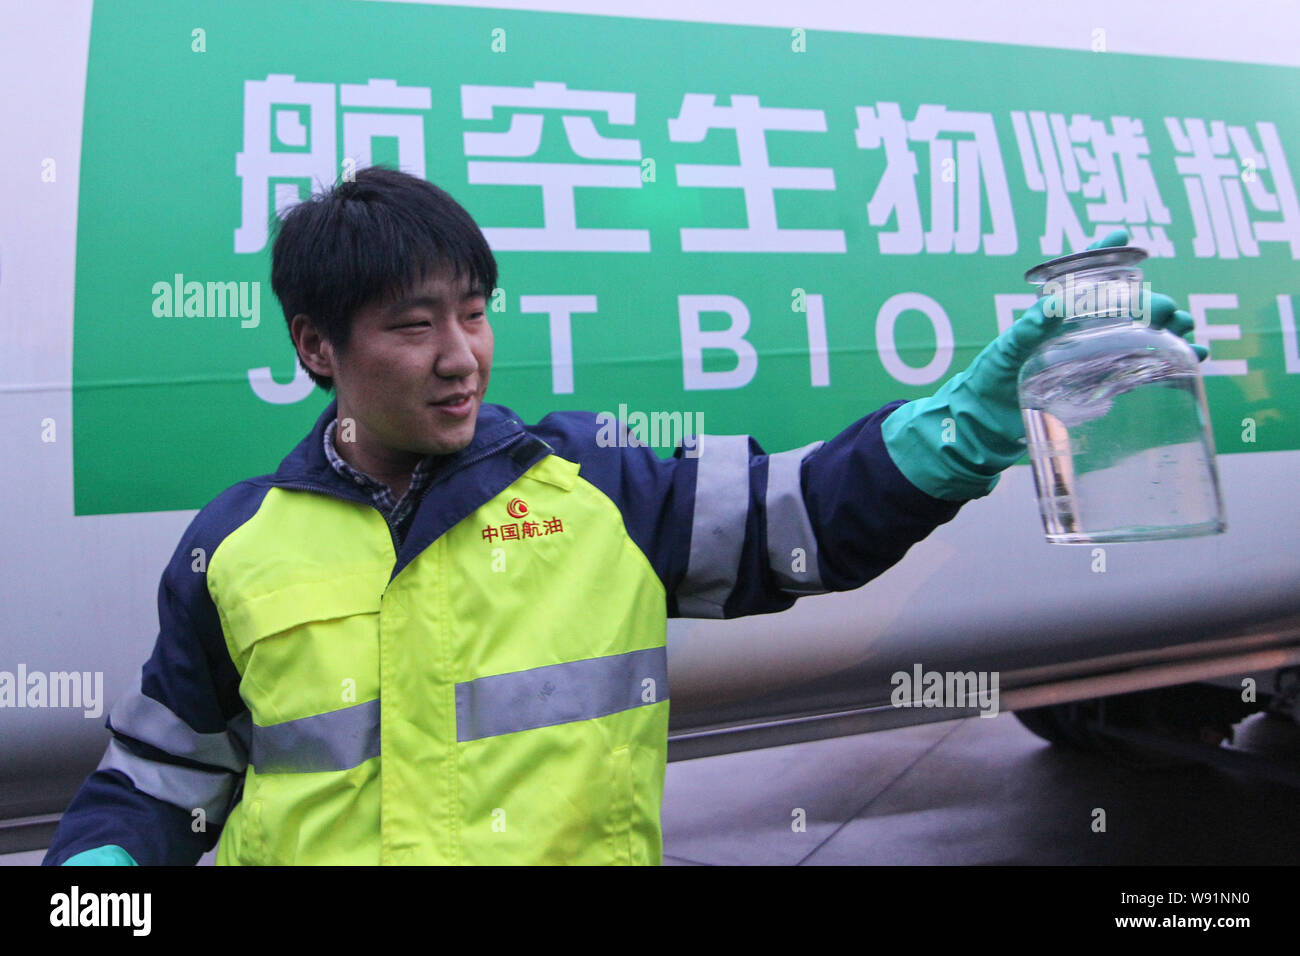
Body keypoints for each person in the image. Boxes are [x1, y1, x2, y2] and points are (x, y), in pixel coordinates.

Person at [43, 167, 1205, 865]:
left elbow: (805, 516)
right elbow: (154, 784)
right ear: (316, 348)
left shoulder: (593, 483)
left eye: (477, 313)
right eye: (413, 324)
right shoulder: (233, 546)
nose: (462, 358)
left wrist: (967, 417)